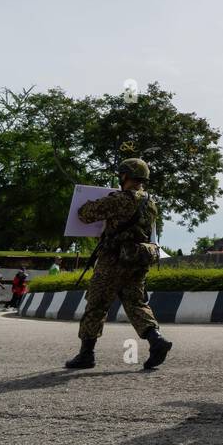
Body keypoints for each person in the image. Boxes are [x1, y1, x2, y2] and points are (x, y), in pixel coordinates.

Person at [63, 158, 173, 371]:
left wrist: (90, 202)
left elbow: (84, 215)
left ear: (125, 176)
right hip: (138, 261)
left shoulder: (119, 199)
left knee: (96, 305)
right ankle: (156, 339)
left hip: (113, 261)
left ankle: (86, 354)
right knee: (136, 303)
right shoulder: (151, 202)